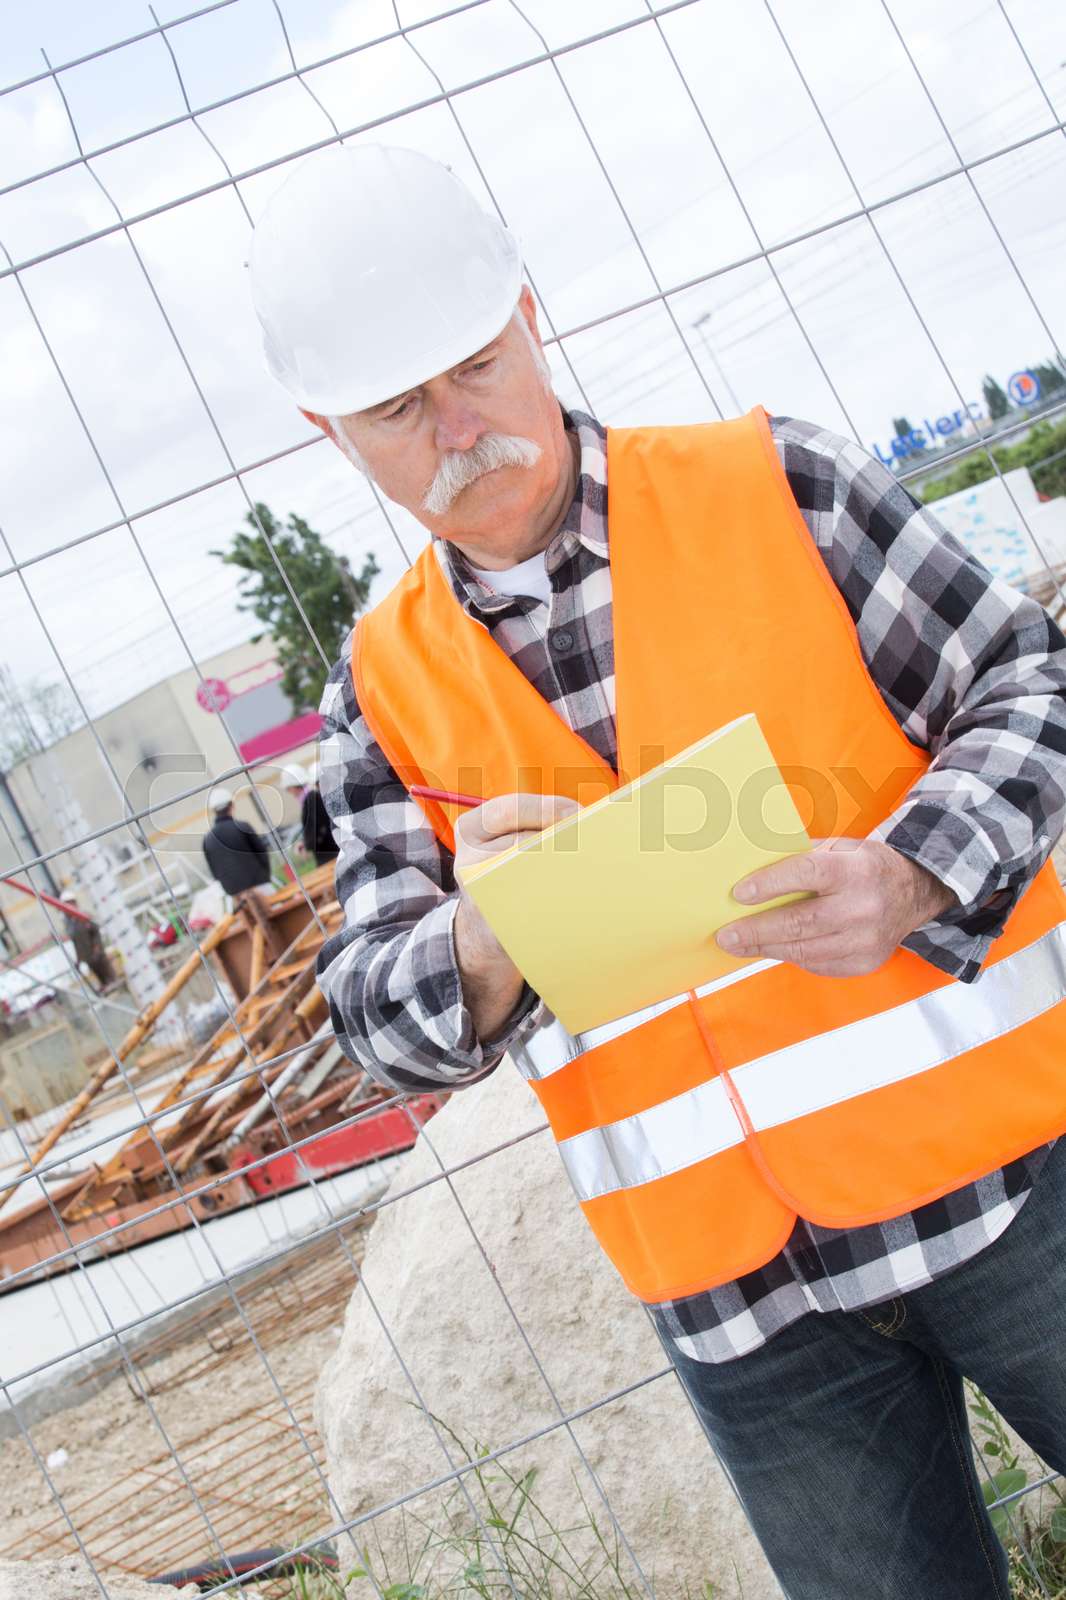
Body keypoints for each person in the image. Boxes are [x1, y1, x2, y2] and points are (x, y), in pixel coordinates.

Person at [247, 145, 1066, 1600]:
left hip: (1013, 1188)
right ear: (332, 434)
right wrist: (483, 945)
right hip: (747, 1314)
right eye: (396, 408)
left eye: (477, 367)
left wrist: (912, 875)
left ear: (529, 310)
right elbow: (376, 1021)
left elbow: (1025, 681)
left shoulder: (775, 488)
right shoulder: (378, 691)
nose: (458, 427)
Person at [202, 786, 272, 898]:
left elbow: (214, 871)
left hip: (236, 894)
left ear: (214, 811)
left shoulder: (208, 839)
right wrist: (265, 876)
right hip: (259, 884)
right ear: (231, 805)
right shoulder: (242, 827)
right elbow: (262, 853)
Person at [282, 763, 339, 869]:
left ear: (293, 786)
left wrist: (308, 845)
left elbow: (316, 827)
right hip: (329, 851)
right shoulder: (310, 798)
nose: (290, 792)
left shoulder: (311, 798)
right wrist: (306, 843)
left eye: (288, 789)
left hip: (329, 853)